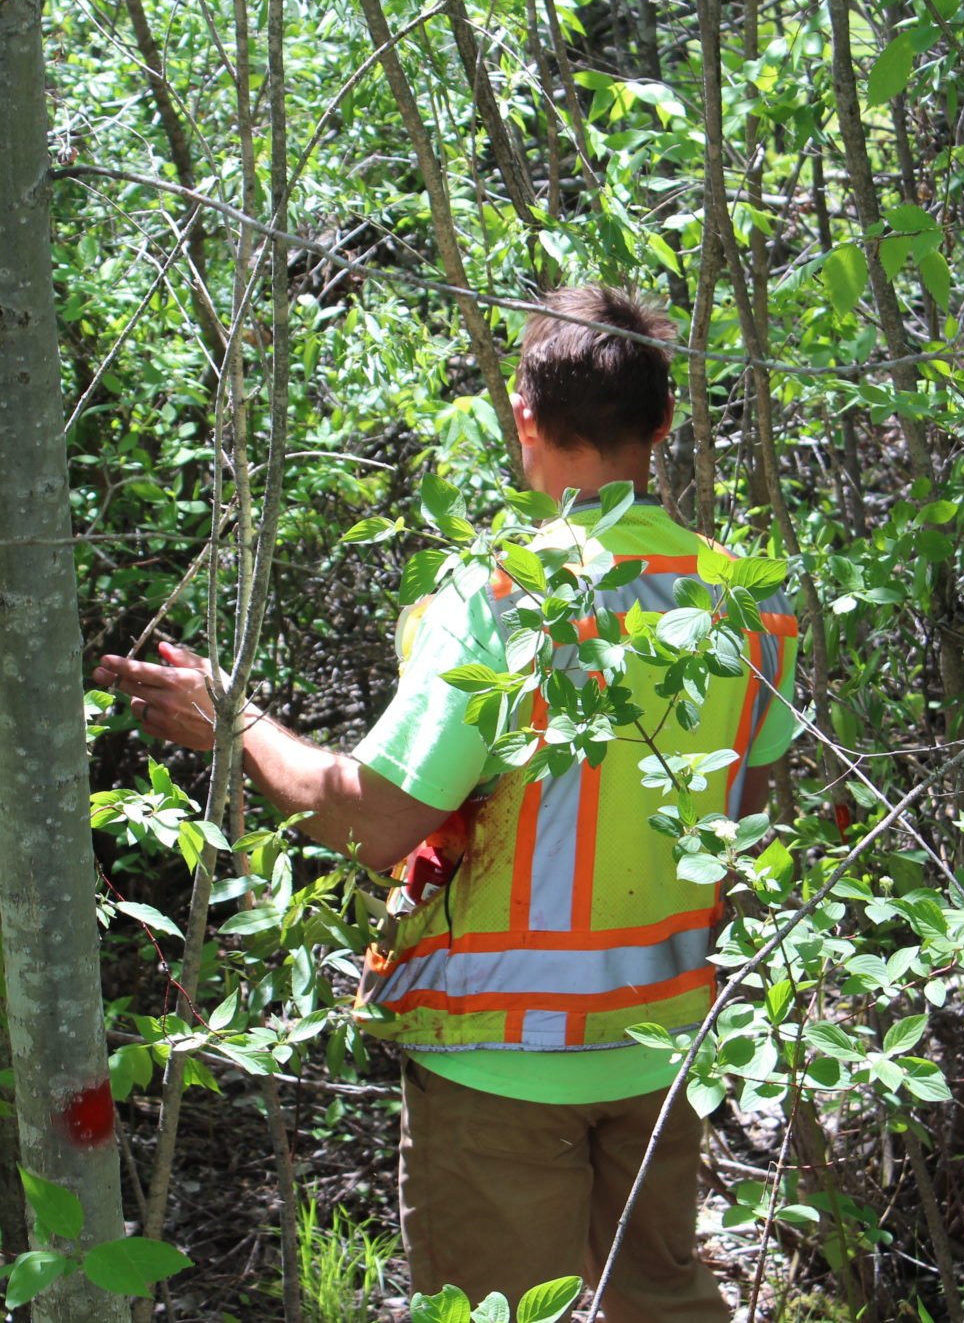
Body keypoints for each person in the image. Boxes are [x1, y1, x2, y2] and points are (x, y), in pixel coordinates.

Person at [95, 285, 797, 1321]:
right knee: (662, 1305)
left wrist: (234, 723)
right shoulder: (747, 600)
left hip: (498, 1065)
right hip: (664, 1048)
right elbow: (757, 818)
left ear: (524, 419)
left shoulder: (501, 599)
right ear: (660, 425)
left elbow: (372, 821)